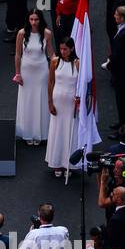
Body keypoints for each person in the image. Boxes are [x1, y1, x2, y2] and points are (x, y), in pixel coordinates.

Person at [14, 8, 53, 146]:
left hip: (42, 71)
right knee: (28, 100)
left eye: (36, 19)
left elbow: (51, 55)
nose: (34, 22)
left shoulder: (47, 33)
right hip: (26, 71)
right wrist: (17, 73)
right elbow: (18, 55)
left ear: (40, 20)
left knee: (41, 100)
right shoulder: (21, 33)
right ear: (28, 20)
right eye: (31, 19)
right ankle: (28, 132)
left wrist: (58, 69)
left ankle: (40, 133)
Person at [46, 37, 80, 177]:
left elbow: (81, 84)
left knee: (70, 131)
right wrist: (50, 102)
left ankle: (68, 164)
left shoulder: (77, 63)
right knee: (57, 130)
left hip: (71, 103)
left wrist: (79, 99)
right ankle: (56, 163)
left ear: (71, 49)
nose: (62, 51)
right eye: (60, 48)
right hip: (58, 101)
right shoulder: (55, 61)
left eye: (65, 49)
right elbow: (51, 82)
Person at [106, 5, 125, 129]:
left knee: (122, 98)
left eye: (117, 15)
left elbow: (119, 54)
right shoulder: (124, 30)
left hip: (121, 71)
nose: (114, 16)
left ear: (122, 18)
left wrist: (109, 64)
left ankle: (124, 125)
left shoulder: (124, 34)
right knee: (120, 98)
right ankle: (122, 122)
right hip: (122, 69)